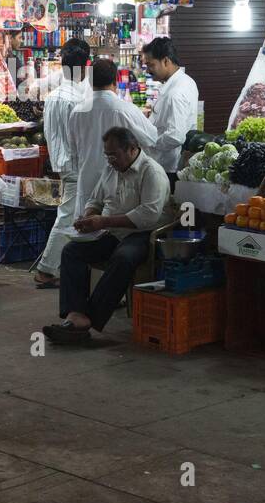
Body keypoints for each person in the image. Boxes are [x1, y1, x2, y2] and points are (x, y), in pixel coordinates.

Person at [44, 126, 171, 344]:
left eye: (114, 154)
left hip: (143, 234)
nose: (110, 160)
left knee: (123, 258)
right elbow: (96, 200)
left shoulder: (152, 172)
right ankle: (76, 314)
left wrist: (103, 221)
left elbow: (148, 215)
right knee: (72, 252)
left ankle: (90, 319)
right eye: (107, 155)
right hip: (113, 231)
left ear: (132, 149)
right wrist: (88, 217)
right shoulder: (111, 169)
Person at [67, 57, 159, 216]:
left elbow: (73, 149)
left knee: (88, 232)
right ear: (115, 80)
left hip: (87, 183)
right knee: (114, 233)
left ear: (90, 82)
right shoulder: (125, 109)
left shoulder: (77, 111)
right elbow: (151, 139)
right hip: (118, 186)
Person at [33, 39, 91, 288]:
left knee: (73, 214)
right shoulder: (77, 99)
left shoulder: (54, 97)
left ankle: (66, 266)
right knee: (67, 215)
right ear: (85, 66)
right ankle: (46, 269)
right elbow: (82, 138)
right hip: (75, 164)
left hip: (61, 162)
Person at [141, 37, 199, 175]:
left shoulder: (175, 93)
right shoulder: (186, 81)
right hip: (167, 164)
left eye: (151, 65)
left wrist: (150, 142)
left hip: (166, 166)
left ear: (166, 61)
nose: (148, 71)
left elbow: (175, 136)